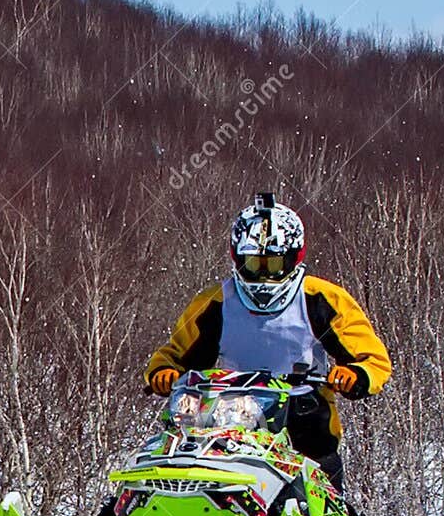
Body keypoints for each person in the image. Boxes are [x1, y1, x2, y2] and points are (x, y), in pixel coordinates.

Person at [144, 193, 390, 486]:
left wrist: (356, 375)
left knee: (321, 480)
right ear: (238, 259)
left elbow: (372, 358)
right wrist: (162, 373)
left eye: (272, 266)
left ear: (291, 259)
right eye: (253, 264)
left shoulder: (323, 299)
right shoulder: (215, 303)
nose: (263, 277)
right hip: (228, 423)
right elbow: (176, 354)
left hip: (305, 423)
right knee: (175, 449)